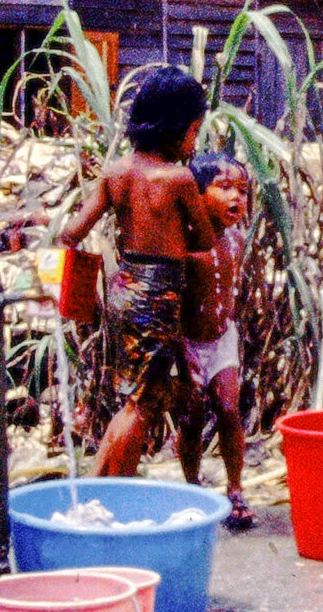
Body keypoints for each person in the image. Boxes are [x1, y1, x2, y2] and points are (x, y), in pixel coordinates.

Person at [55, 69, 214, 477]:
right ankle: (115, 491)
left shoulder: (116, 173)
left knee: (134, 396)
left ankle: (97, 482)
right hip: (158, 296)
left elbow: (71, 231)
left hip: (123, 288)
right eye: (195, 131)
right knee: (141, 405)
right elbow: (206, 240)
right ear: (181, 128)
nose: (194, 141)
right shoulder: (178, 180)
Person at [175, 153, 256, 528]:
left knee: (228, 409)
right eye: (223, 188)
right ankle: (192, 489)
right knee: (190, 419)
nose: (235, 198)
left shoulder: (235, 239)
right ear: (196, 193)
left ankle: (235, 489)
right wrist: (177, 350)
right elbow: (171, 299)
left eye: (242, 189)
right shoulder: (182, 244)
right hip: (187, 342)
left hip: (222, 336)